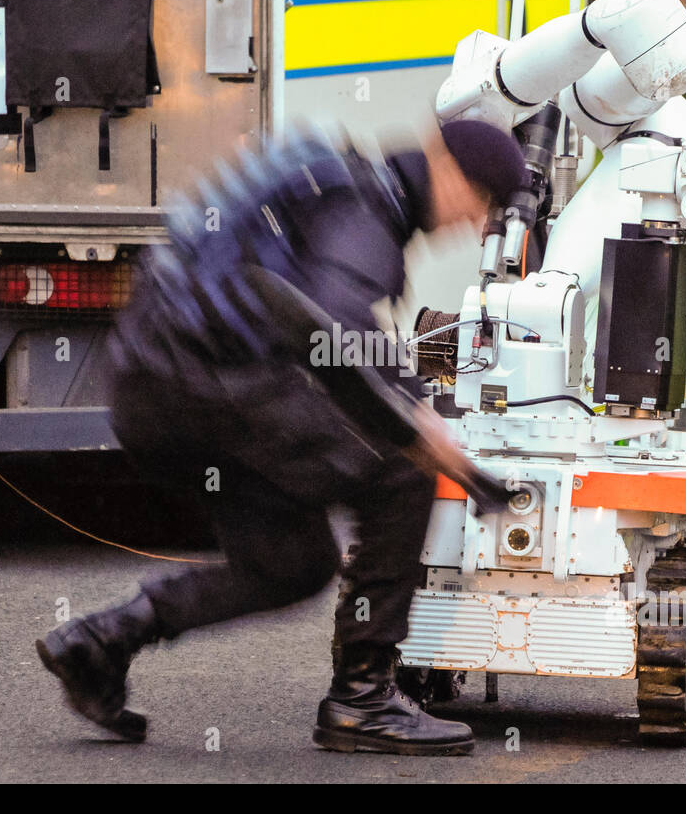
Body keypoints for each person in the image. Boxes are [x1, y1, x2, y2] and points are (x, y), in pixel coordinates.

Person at [36, 119, 526, 755]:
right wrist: (414, 421)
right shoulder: (363, 213)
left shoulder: (344, 186)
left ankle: (99, 642)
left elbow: (321, 324)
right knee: (401, 472)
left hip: (154, 380)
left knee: (293, 564)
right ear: (446, 164)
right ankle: (363, 699)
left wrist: (405, 405)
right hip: (198, 384)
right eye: (481, 199)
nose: (475, 221)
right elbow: (332, 333)